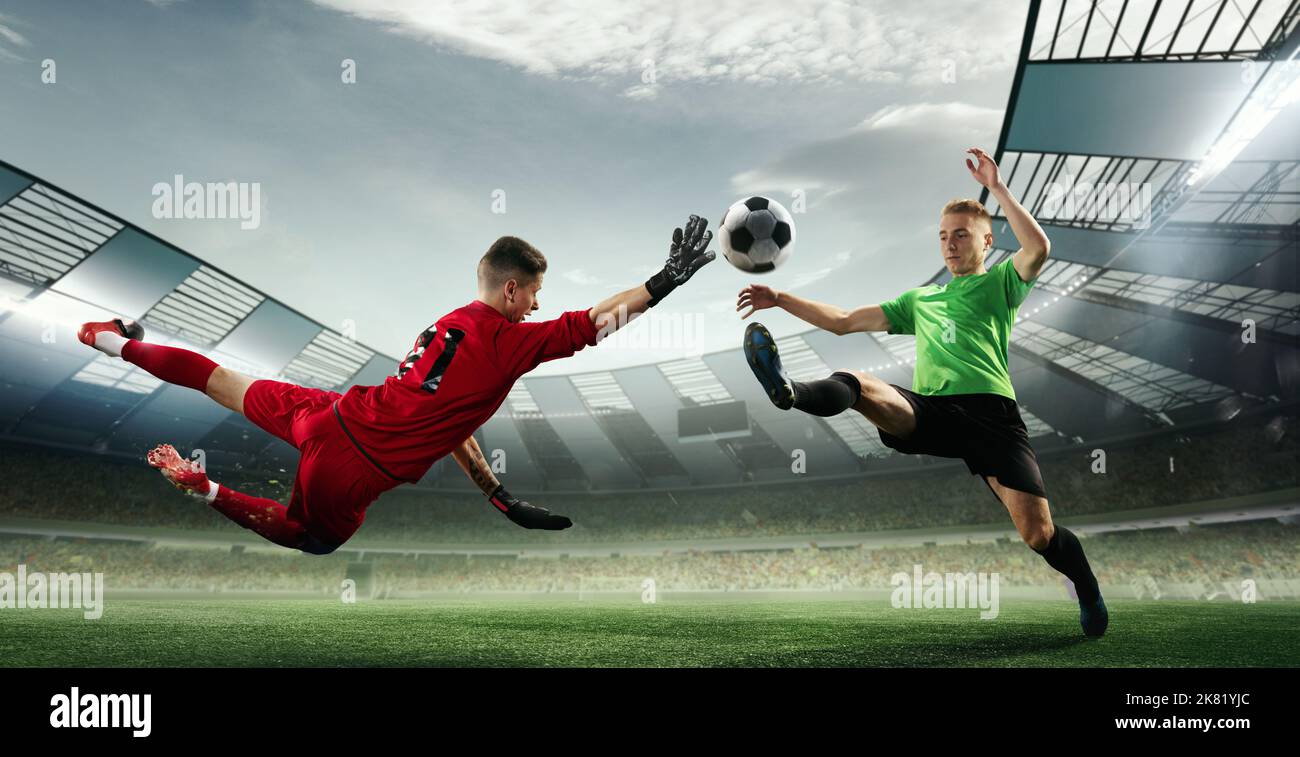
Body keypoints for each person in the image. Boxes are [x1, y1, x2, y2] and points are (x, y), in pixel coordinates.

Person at [78, 216, 715, 554]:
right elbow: (591, 325)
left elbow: (448, 422)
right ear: (511, 289)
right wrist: (663, 282)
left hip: (329, 412)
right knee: (313, 540)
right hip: (353, 466)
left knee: (219, 380)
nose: (536, 308)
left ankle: (112, 340)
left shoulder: (447, 323)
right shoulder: (508, 341)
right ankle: (208, 488)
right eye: (534, 295)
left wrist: (497, 495)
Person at [736, 148, 1107, 636]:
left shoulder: (1001, 282)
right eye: (943, 236)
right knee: (859, 383)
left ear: (987, 240)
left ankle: (1087, 587)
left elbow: (1038, 247)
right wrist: (780, 298)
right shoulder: (922, 299)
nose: (949, 244)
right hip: (931, 411)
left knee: (1038, 535)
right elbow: (845, 321)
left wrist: (996, 188)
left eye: (961, 235)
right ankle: (791, 391)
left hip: (992, 418)